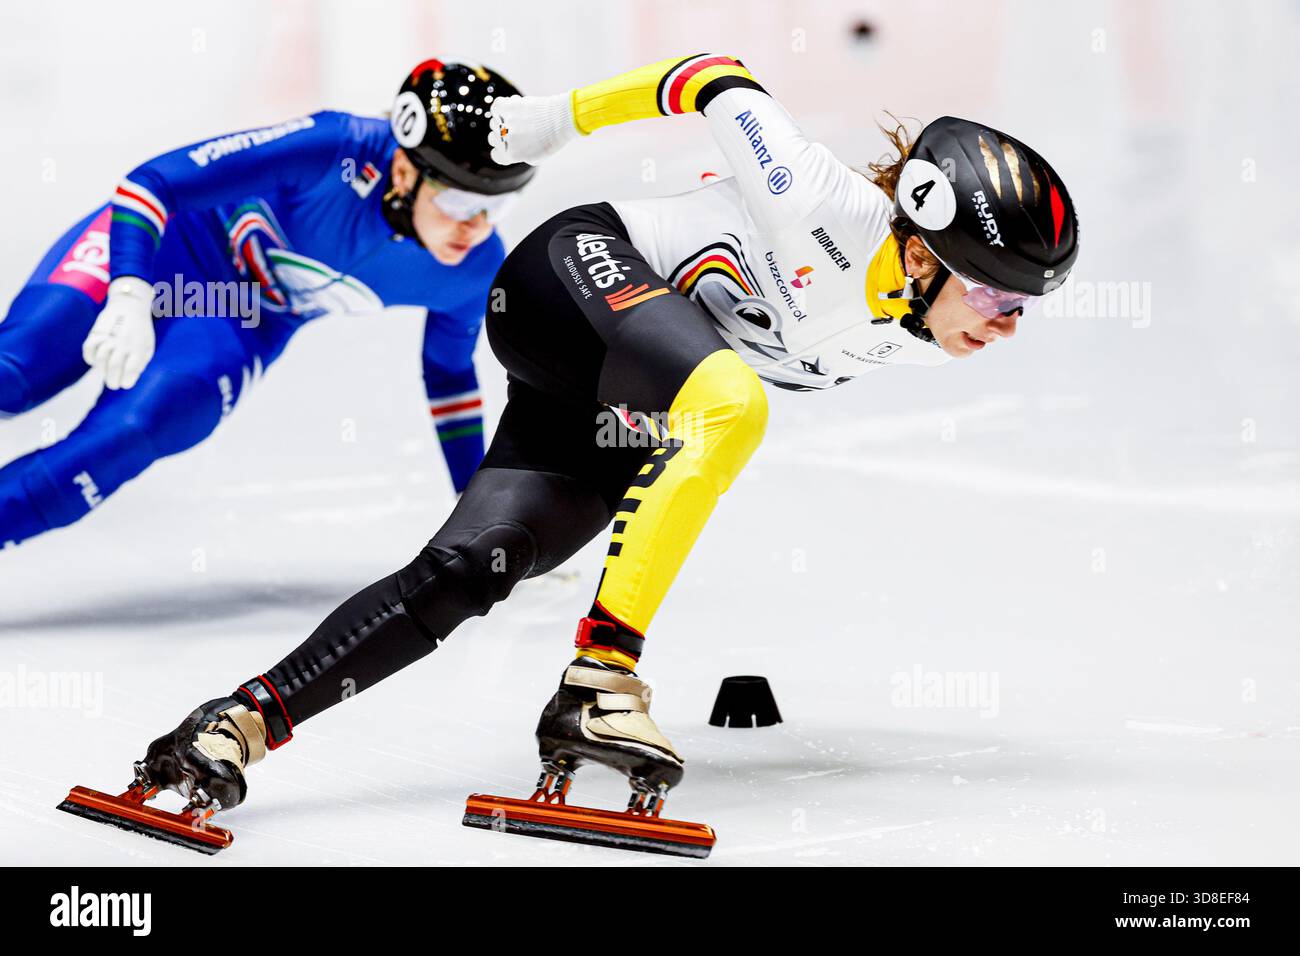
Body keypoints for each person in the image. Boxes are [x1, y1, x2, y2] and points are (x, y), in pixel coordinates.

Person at [123, 54, 1079, 827]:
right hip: (565, 275)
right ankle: (602, 677)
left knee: (477, 566)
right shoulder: (818, 198)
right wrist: (547, 122)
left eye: (1025, 305)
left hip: (614, 382)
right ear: (919, 251)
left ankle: (235, 723)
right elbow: (714, 76)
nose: (1005, 326)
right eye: (995, 294)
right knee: (737, 405)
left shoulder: (935, 337)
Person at [0, 59, 531, 547]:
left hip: (242, 316)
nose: (476, 226)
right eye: (461, 202)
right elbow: (151, 184)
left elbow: (449, 375)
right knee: (17, 369)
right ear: (402, 170)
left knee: (138, 430)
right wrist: (130, 289)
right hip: (169, 243)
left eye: (497, 206)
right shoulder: (333, 147)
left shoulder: (474, 269)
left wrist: (475, 507)